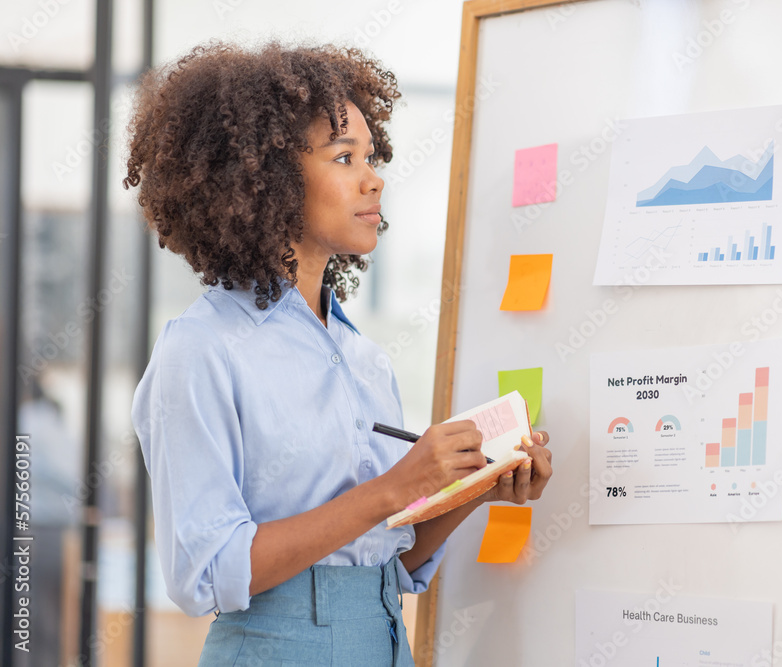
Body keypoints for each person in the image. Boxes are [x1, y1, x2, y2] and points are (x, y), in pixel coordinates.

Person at [125, 42, 553, 666]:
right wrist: (392, 489)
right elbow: (207, 571)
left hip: (383, 642)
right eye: (344, 157)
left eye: (371, 157)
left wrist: (477, 485)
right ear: (269, 179)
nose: (373, 178)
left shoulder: (365, 360)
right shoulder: (201, 350)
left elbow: (388, 561)